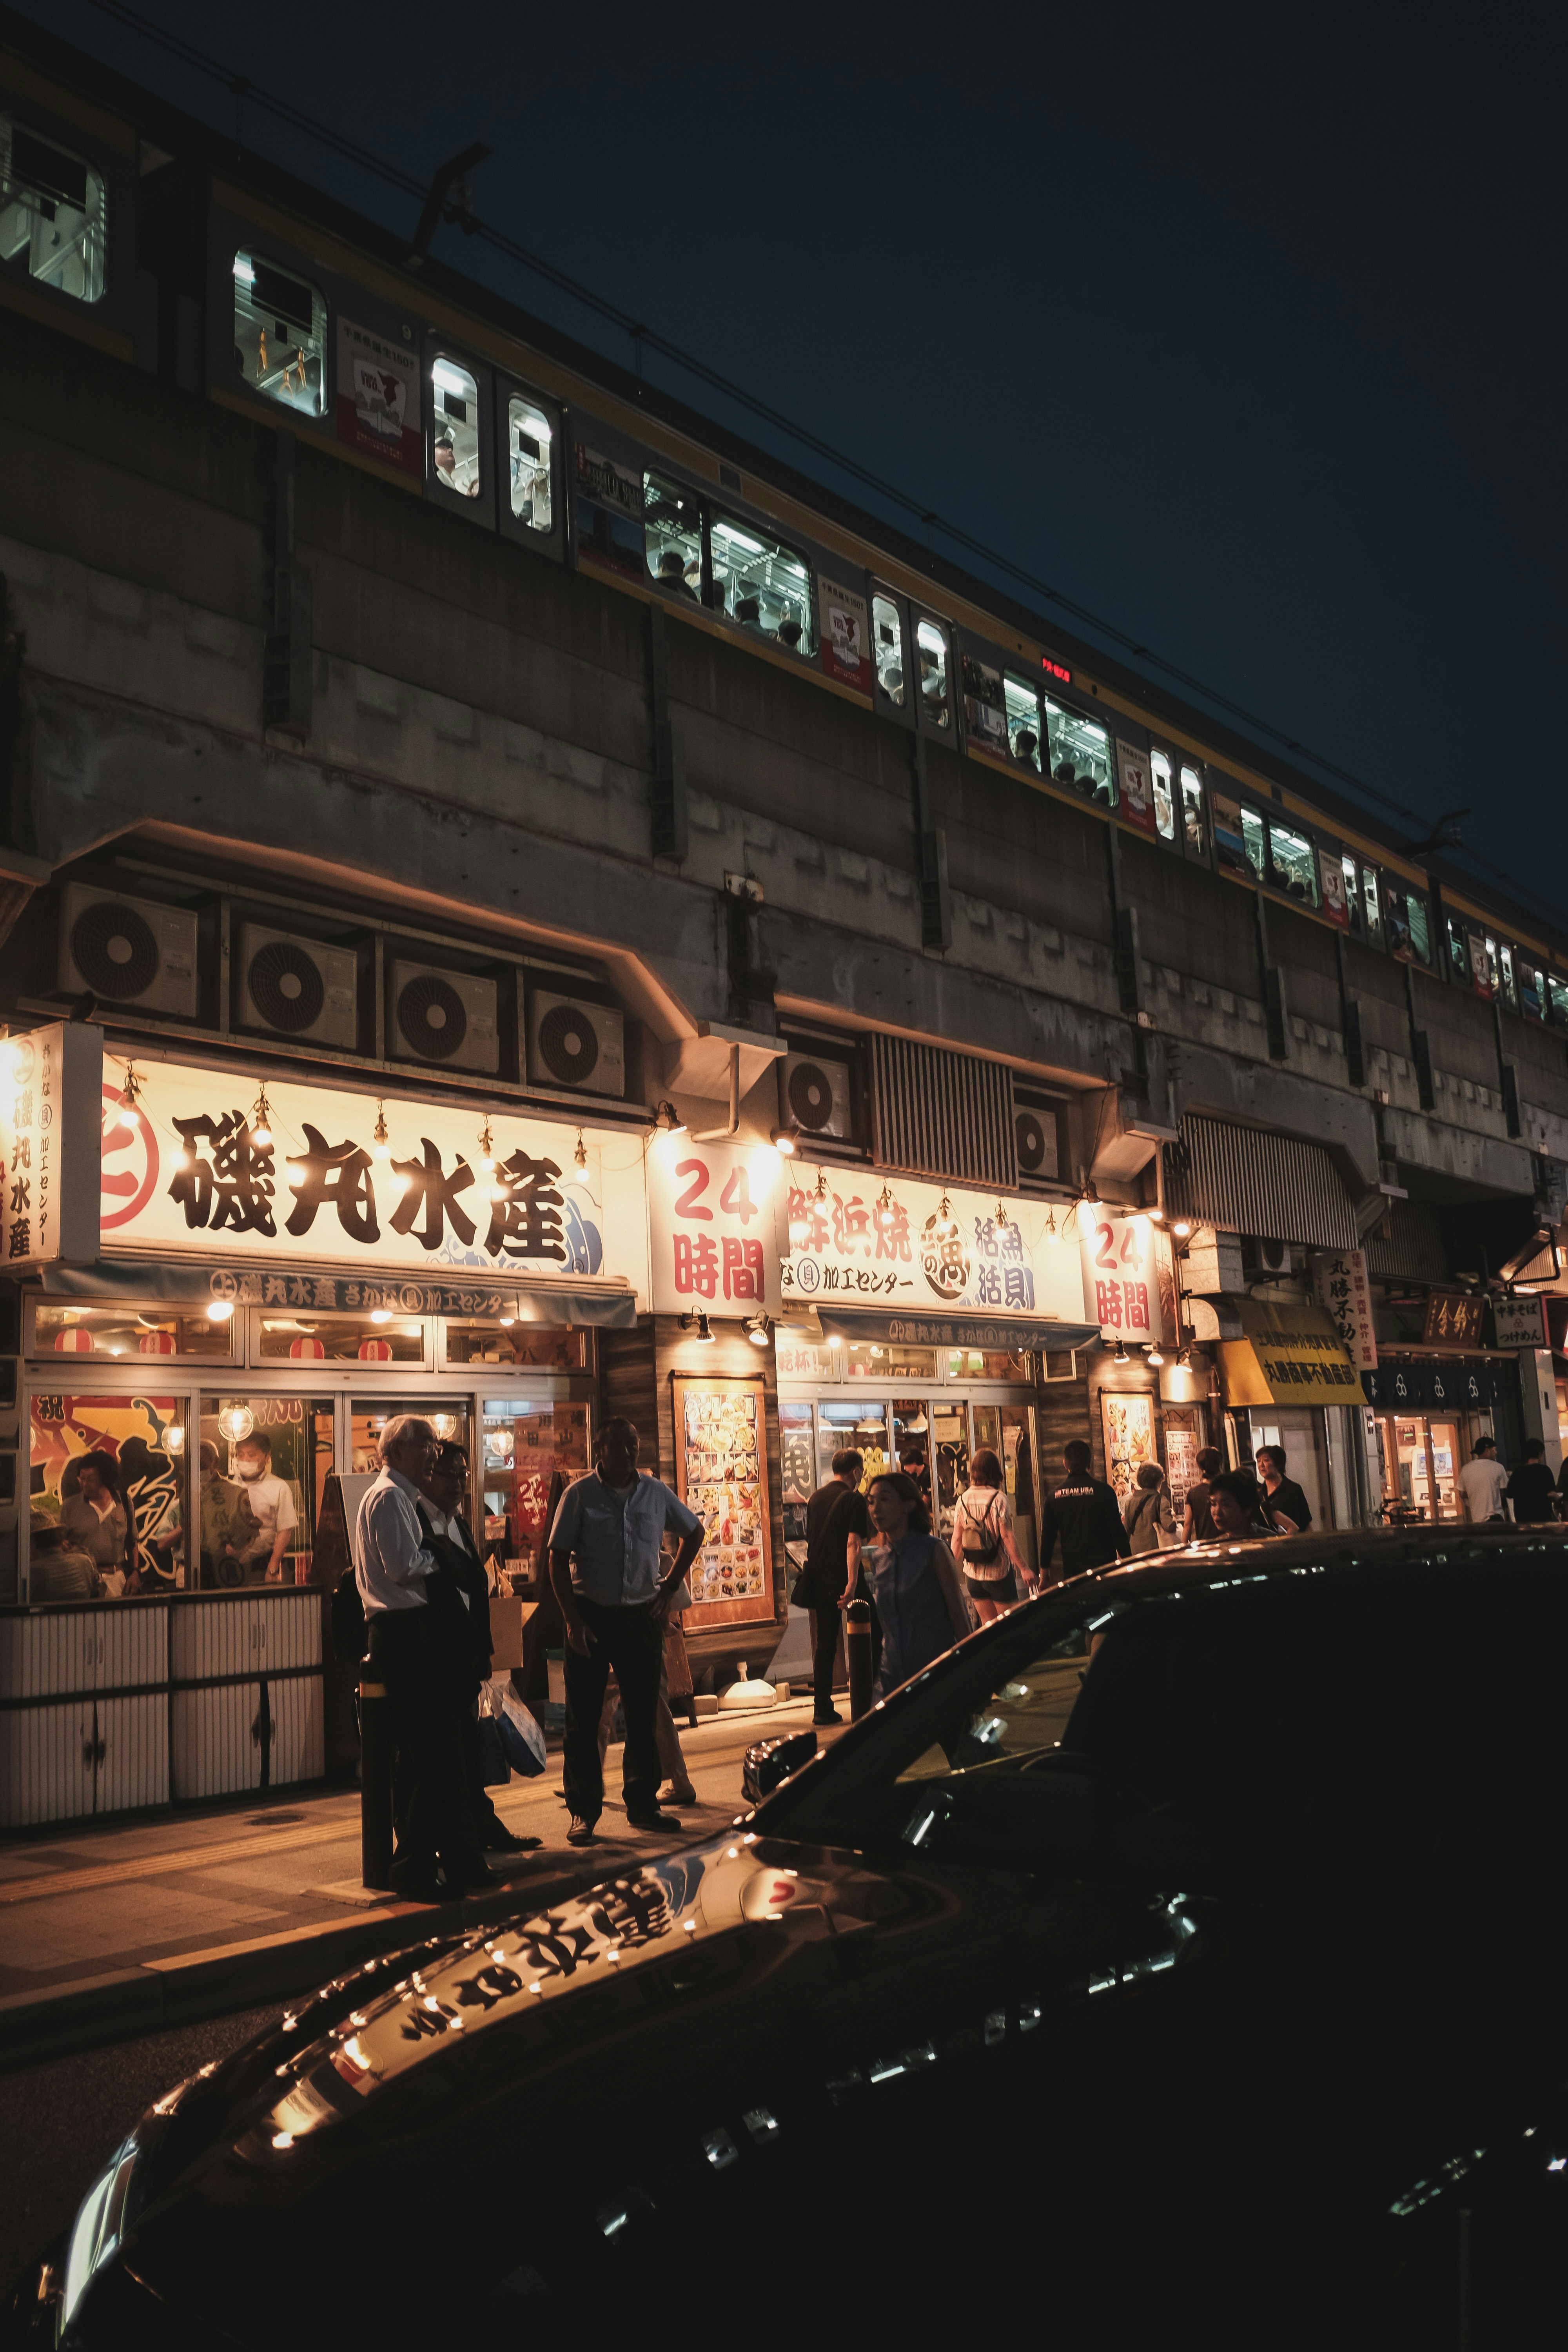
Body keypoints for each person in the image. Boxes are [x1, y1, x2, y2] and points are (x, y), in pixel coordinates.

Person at [547, 1417, 704, 1845]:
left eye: (633, 1445)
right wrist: (572, 1619)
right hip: (591, 1616)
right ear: (600, 1450)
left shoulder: (655, 1492)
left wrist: (670, 1585)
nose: (628, 1453)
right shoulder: (579, 1495)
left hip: (641, 1615)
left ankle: (643, 1804)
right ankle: (583, 1812)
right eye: (619, 1446)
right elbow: (557, 1559)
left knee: (642, 1714)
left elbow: (694, 1532)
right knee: (583, 1719)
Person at [354, 1414, 490, 1905]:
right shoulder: (391, 1497)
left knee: (432, 1756)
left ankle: (445, 1862)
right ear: (395, 1451)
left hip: (406, 1633)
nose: (433, 1454)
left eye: (434, 1445)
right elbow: (403, 1566)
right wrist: (443, 1557)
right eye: (424, 1446)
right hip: (403, 1633)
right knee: (430, 1755)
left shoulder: (396, 1495)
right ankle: (413, 1868)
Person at [414, 1439, 540, 1858]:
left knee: (468, 1748)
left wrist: (485, 1650)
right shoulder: (415, 1520)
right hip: (434, 1653)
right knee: (445, 1754)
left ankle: (480, 1828)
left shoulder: (460, 1522)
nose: (457, 1483)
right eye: (447, 1474)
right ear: (427, 1475)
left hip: (465, 1653)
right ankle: (455, 1843)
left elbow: (474, 1589)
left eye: (462, 1474)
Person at [862, 1472, 970, 1698]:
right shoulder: (879, 1558)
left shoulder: (935, 1551)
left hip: (934, 1673)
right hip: (890, 1678)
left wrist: (971, 1668)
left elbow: (959, 1616)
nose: (875, 1509)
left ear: (908, 1505)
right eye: (871, 1501)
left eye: (884, 1499)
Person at [793, 1449, 872, 1727]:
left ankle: (822, 1708)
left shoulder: (816, 1497)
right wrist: (852, 1584)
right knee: (874, 1630)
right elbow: (854, 1544)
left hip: (820, 1580)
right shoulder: (853, 1499)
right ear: (856, 1472)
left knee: (826, 1644)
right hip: (845, 1578)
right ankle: (872, 1697)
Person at [952, 1448, 1035, 1622]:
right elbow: (1007, 1537)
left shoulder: (962, 1500)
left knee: (988, 1626)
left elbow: (957, 1539)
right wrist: (1024, 1568)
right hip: (998, 1573)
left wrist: (950, 1569)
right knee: (1009, 1625)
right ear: (995, 1472)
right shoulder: (999, 1499)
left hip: (973, 1574)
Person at [1038, 1440, 1130, 1579]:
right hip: (1105, 1570)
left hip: (1074, 1574)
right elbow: (1117, 1531)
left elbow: (1048, 1538)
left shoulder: (1054, 1497)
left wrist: (1044, 1575)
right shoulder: (1105, 1492)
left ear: (1065, 1464)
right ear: (1090, 1463)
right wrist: (1129, 1563)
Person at [228, 1432, 298, 1585]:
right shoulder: (229, 1487)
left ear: (267, 1457)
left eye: (252, 1455)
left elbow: (285, 1531)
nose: (246, 1460)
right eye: (241, 1455)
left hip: (263, 1564)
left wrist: (272, 1568)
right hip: (229, 1565)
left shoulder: (279, 1487)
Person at [60, 1454, 130, 1590]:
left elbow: (132, 1541)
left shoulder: (124, 1502)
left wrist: (135, 1573)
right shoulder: (69, 1506)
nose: (85, 1484)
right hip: (81, 1579)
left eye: (91, 1480)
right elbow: (61, 1543)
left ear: (106, 1479)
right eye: (82, 1478)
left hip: (116, 1578)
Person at [198, 1443, 244, 1587]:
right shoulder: (189, 1493)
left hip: (226, 1564)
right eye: (196, 1465)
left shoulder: (235, 1492)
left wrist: (237, 1546)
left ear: (216, 1462)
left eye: (203, 1465)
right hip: (197, 1566)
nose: (200, 1470)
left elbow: (248, 1532)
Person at [30, 1523, 103, 1602]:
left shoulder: (33, 1570)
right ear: (62, 1541)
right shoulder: (84, 1561)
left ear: (33, 1543)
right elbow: (98, 1591)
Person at [1255, 1445, 1312, 1534]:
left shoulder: (1293, 1489)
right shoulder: (1259, 1493)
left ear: (1278, 1464)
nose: (1261, 1465)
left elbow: (1306, 1524)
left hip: (1292, 1540)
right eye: (1259, 1461)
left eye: (1266, 1460)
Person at [1123, 1461, 1176, 1555]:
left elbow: (1126, 1531)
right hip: (1155, 1553)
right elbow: (1170, 1526)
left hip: (1135, 1553)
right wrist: (1173, 1516)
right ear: (1158, 1481)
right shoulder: (1160, 1500)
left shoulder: (1129, 1502)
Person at [1208, 1469, 1279, 1539]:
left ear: (1247, 1509)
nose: (1217, 1512)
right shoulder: (1218, 1544)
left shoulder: (1270, 1541)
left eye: (1225, 1505)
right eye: (1213, 1504)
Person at [1506, 1438, 1559, 1525]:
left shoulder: (1518, 1472)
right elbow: (1551, 1493)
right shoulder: (1545, 1471)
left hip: (1523, 1519)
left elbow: (1510, 1494)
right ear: (1540, 1453)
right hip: (1543, 1518)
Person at [1459, 1434, 1509, 1525]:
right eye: (1494, 1450)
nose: (1496, 1452)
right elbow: (1504, 1491)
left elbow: (1462, 1494)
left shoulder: (1466, 1469)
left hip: (1477, 1519)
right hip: (1495, 1518)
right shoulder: (1498, 1467)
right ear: (1488, 1451)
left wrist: (1476, 1493)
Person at [1181, 1447, 1225, 1543]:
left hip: (1204, 1545)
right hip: (1227, 1542)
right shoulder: (1226, 1488)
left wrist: (1183, 1546)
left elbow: (1188, 1524)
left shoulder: (1193, 1492)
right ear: (1219, 1465)